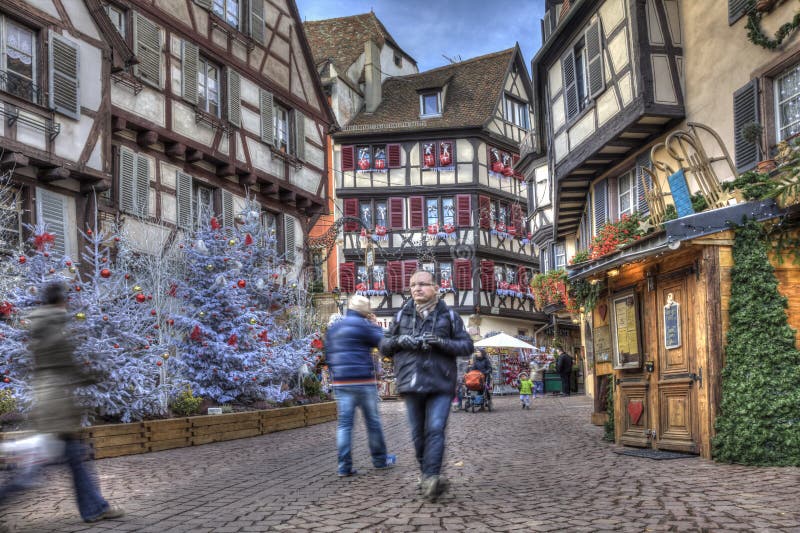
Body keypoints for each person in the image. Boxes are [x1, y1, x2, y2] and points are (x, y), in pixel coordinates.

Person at [0, 283, 124, 524]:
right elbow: (70, 367)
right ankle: (95, 508)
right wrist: (97, 377)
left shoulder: (40, 327)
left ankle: (95, 507)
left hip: (48, 399)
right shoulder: (55, 329)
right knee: (33, 473)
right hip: (56, 404)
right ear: (60, 302)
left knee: (74, 458)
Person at [380, 270, 473, 502]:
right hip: (411, 382)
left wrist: (442, 343)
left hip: (441, 382)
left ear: (436, 288)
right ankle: (426, 473)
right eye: (412, 285)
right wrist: (399, 341)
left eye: (422, 284)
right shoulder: (401, 315)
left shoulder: (449, 316)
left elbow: (467, 346)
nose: (416, 289)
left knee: (435, 429)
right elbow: (384, 345)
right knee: (417, 434)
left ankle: (431, 476)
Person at [324, 295, 395, 477]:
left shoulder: (334, 328)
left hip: (341, 382)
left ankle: (343, 467)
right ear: (364, 310)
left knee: (344, 425)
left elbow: (328, 354)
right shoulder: (364, 326)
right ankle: (380, 460)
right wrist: (374, 325)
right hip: (363, 380)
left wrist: (335, 375)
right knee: (373, 423)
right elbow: (384, 344)